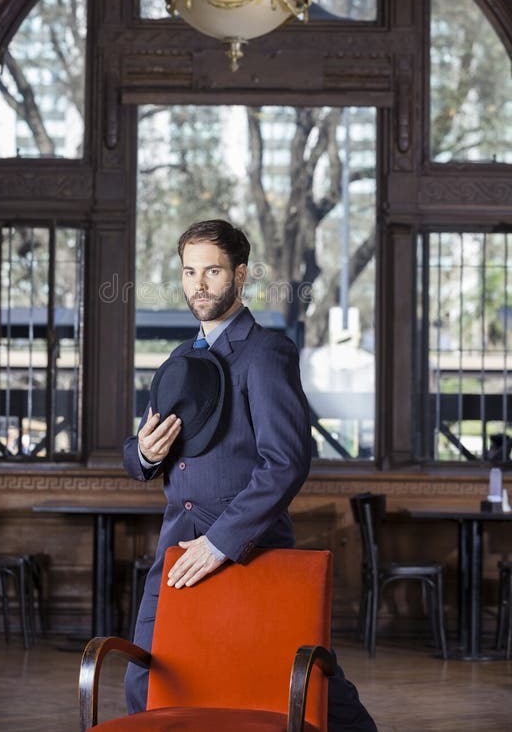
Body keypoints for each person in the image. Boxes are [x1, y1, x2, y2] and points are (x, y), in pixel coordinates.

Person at [123, 218, 377, 732]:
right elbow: (139, 452)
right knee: (145, 681)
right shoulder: (177, 360)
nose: (198, 284)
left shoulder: (267, 352)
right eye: (189, 271)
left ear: (240, 276)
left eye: (212, 271)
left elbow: (286, 460)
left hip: (249, 546)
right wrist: (145, 455)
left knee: (310, 690)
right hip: (177, 550)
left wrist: (220, 542)